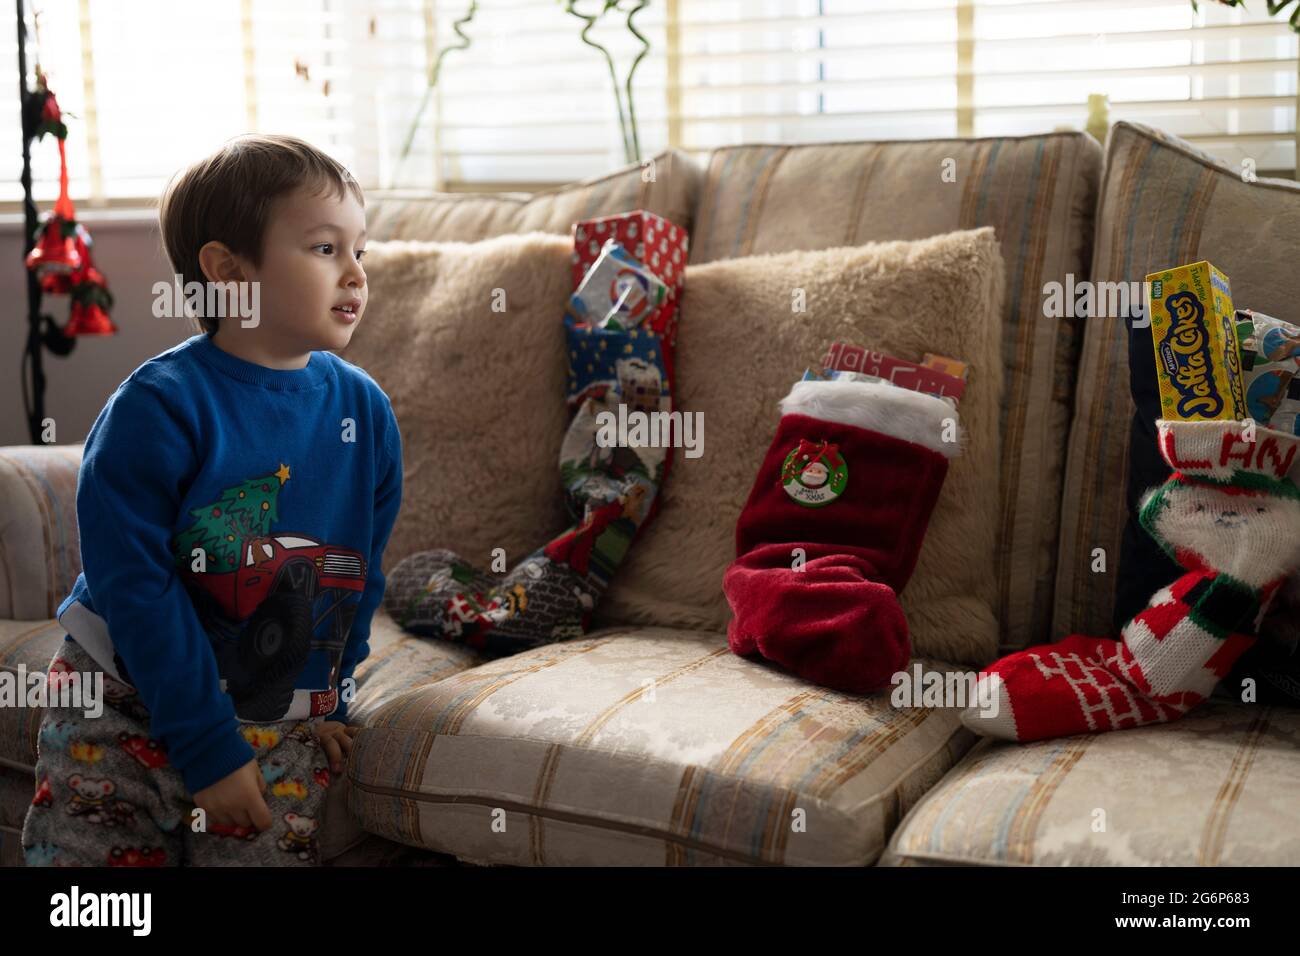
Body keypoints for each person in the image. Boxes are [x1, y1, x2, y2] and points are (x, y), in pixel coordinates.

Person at [22, 134, 402, 866]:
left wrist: (330, 698)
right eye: (326, 249)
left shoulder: (367, 414)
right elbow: (135, 589)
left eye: (363, 250)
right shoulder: (156, 409)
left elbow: (360, 571)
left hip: (269, 700)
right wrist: (206, 746)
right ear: (230, 272)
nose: (356, 273)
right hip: (120, 690)